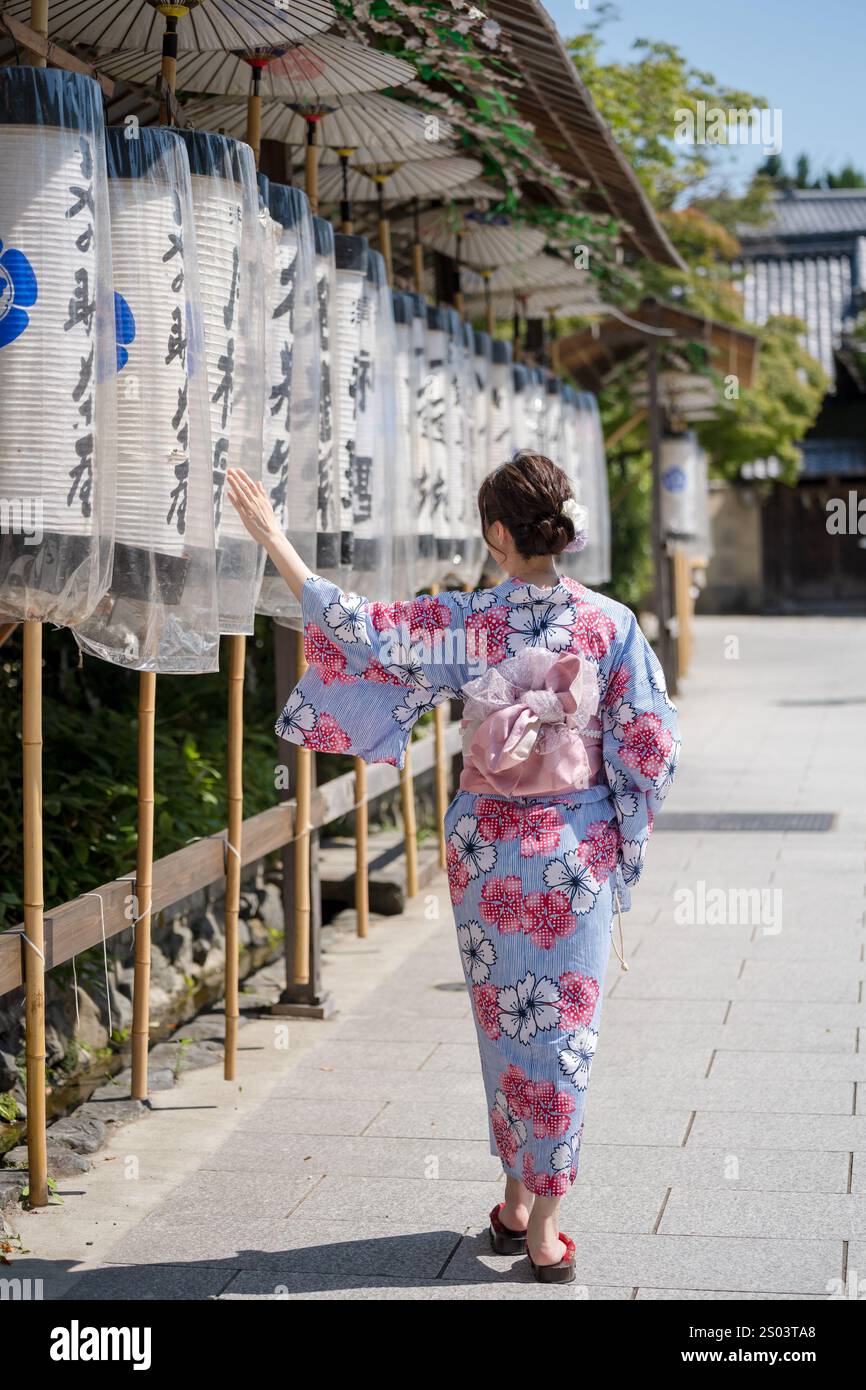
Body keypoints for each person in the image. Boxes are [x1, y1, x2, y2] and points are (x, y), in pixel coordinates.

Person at [227, 453, 680, 1284]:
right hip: (572, 855)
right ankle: (541, 1224)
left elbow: (357, 627)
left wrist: (275, 540)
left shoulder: (469, 622)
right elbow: (649, 746)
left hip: (488, 854)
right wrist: (619, 837)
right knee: (565, 1032)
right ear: (563, 530)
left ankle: (516, 1198)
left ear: (499, 535)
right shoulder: (612, 625)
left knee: (504, 1023)